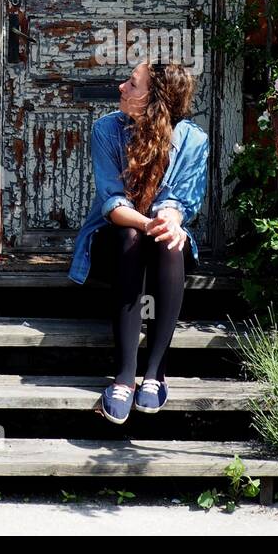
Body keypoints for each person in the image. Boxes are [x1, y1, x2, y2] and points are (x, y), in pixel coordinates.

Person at [67, 60, 209, 424]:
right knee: (131, 233)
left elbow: (182, 203)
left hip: (163, 252)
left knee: (169, 240)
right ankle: (125, 375)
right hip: (114, 246)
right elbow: (114, 205)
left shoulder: (193, 140)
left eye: (132, 84)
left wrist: (170, 222)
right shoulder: (106, 130)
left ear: (154, 100)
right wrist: (151, 223)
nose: (121, 88)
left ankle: (156, 372)